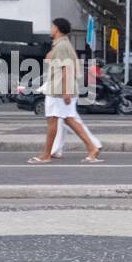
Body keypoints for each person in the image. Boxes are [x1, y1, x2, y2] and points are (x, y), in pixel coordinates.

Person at [28, 17, 101, 164]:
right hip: (59, 89)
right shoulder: (63, 45)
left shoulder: (61, 47)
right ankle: (91, 148)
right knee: (68, 120)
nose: (50, 29)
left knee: (56, 121)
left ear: (57, 29)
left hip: (59, 90)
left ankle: (47, 155)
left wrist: (66, 91)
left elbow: (66, 68)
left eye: (52, 26)